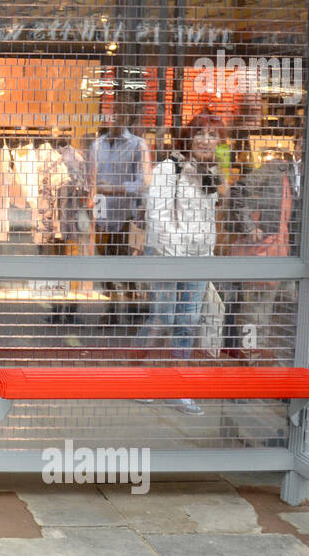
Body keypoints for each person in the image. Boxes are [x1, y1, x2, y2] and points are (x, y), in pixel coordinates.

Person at [134, 113, 225, 415]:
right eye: (201, 132)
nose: (206, 140)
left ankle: (176, 387)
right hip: (168, 258)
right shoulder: (169, 168)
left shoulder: (212, 173)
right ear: (189, 136)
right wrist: (177, 259)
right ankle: (141, 378)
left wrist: (207, 256)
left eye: (213, 135)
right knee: (164, 317)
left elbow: (209, 220)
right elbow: (156, 217)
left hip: (199, 261)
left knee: (188, 321)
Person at [227, 135, 302, 362]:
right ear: (296, 146)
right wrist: (250, 228)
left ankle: (277, 372)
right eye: (302, 142)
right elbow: (239, 190)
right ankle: (249, 370)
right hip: (269, 253)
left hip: (296, 258)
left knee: (287, 320)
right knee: (255, 316)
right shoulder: (275, 169)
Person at [88, 102, 150, 331]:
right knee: (105, 266)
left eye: (119, 113)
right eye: (110, 113)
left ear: (128, 117)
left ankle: (134, 313)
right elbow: (90, 180)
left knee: (127, 266)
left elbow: (144, 182)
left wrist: (115, 189)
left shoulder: (137, 145)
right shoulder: (96, 146)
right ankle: (112, 311)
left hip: (126, 216)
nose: (113, 117)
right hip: (102, 214)